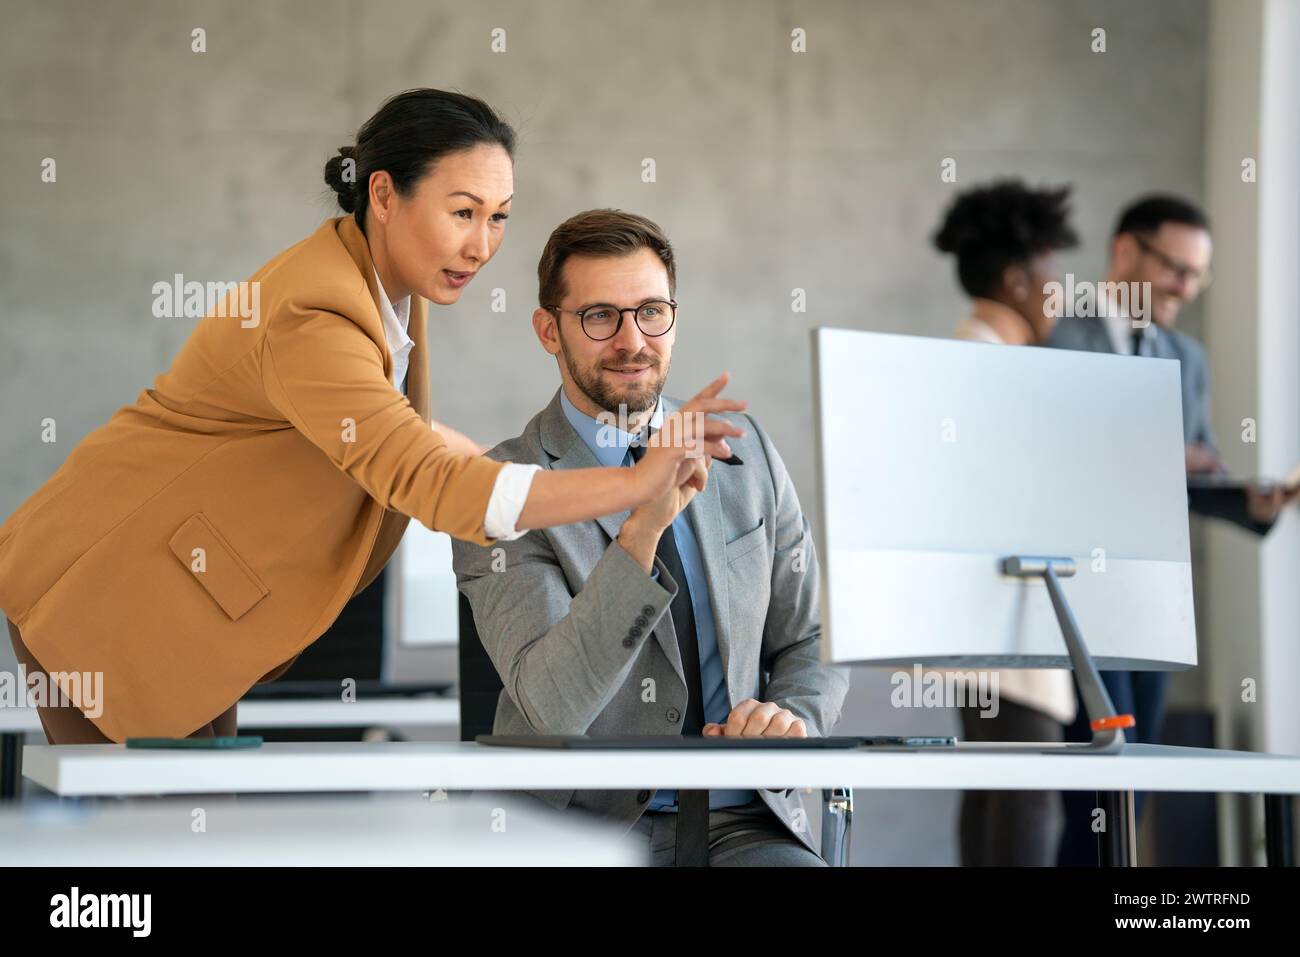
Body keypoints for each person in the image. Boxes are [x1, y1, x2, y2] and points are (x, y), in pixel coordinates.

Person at [0, 90, 743, 746]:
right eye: (462, 213)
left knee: (197, 829)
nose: (482, 245)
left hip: (187, 607)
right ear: (383, 195)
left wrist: (518, 469)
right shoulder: (314, 311)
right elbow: (424, 477)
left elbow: (405, 435)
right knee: (158, 846)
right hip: (107, 598)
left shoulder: (385, 287)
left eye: (498, 218)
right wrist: (634, 486)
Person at [451, 209, 850, 866]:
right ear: (549, 329)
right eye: (600, 316)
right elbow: (552, 709)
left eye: (651, 312)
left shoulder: (746, 458)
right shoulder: (501, 487)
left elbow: (815, 637)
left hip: (741, 820)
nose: (631, 340)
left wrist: (792, 718)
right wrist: (644, 524)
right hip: (576, 827)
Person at [1048, 193, 1298, 865]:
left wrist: (1256, 499)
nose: (1186, 288)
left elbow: (1195, 475)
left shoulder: (1188, 356)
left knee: (1137, 788)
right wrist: (1165, 451)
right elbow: (1063, 453)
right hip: (1078, 600)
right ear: (1125, 251)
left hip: (1154, 602)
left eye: (1196, 274)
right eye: (1175, 268)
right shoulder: (1061, 338)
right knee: (1097, 788)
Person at [931, 178, 1081, 865]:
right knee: (1024, 796)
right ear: (1018, 278)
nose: (1062, 287)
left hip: (998, 623)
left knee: (999, 793)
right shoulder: (988, 361)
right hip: (1008, 620)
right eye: (1053, 270)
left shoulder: (989, 353)